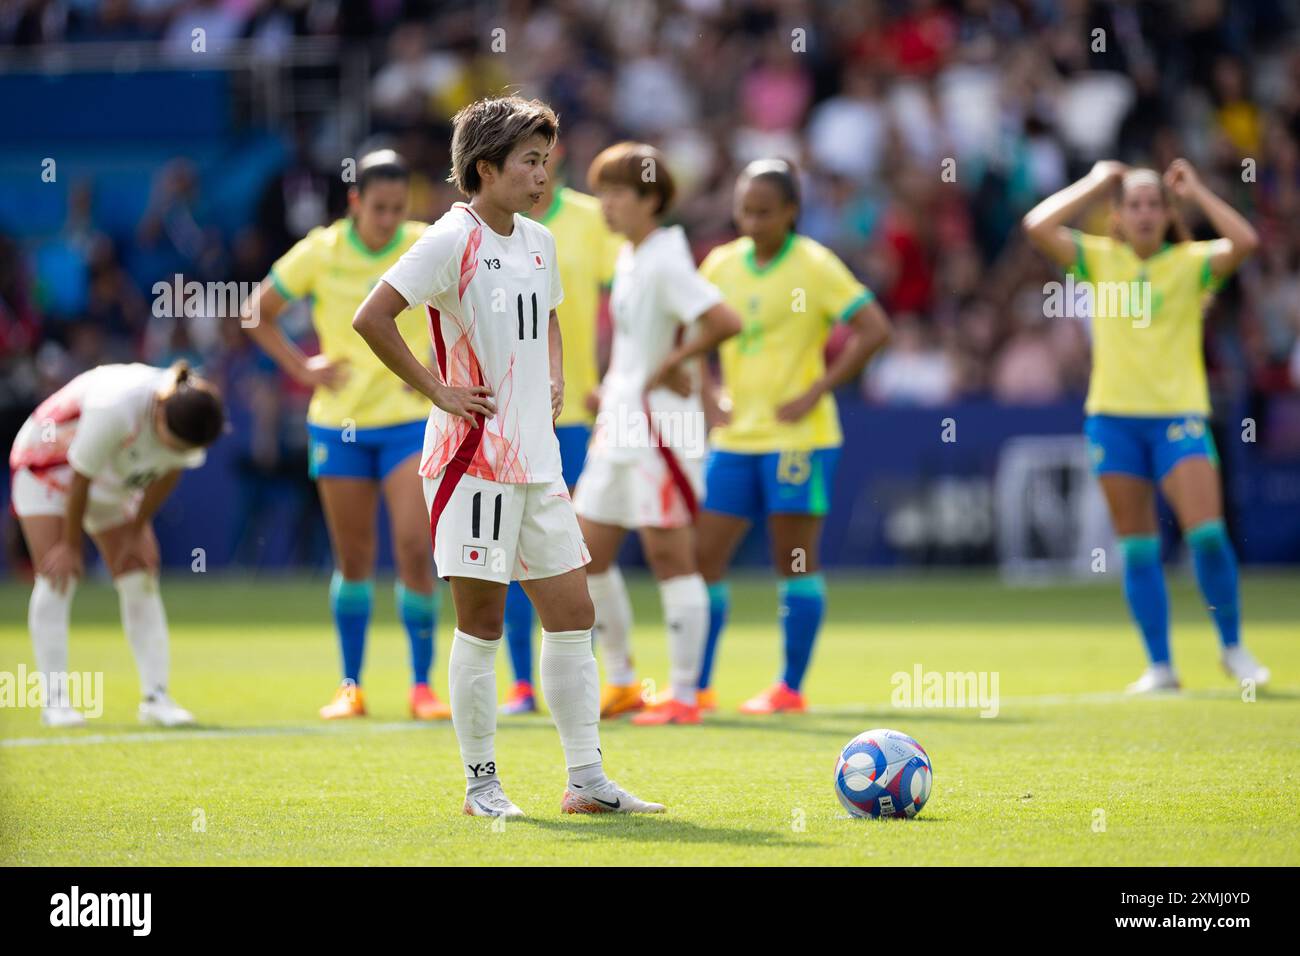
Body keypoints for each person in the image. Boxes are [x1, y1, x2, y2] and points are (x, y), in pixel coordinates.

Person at [352, 95, 664, 816]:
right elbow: (371, 316)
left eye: (547, 162)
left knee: (572, 615)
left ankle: (585, 782)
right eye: (530, 162)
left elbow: (548, 316)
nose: (543, 176)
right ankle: (481, 786)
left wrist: (553, 371)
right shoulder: (447, 239)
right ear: (484, 169)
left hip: (538, 460)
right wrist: (437, 389)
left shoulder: (539, 240)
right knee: (482, 625)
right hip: (473, 463)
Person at [1023, 158, 1269, 692]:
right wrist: (1093, 181)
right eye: (1133, 204)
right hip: (1113, 420)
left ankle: (1233, 648)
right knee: (1137, 546)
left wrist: (1199, 189)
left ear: (1167, 212)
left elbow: (1246, 241)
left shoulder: (1189, 264)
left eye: (1154, 204)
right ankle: (1160, 664)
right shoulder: (1097, 260)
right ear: (1118, 213)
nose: (1144, 214)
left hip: (1178, 417)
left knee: (1206, 533)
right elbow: (1036, 226)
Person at [242, 149, 448, 721]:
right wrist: (300, 368)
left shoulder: (426, 241)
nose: (388, 219)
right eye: (378, 208)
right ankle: (351, 685)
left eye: (398, 208)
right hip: (339, 427)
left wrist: (436, 370)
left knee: (413, 547)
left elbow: (471, 306)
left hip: (409, 423)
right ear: (355, 202)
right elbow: (256, 311)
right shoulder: (322, 249)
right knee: (353, 558)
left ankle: (421, 686)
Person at [694, 159, 892, 714]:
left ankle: (790, 686)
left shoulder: (816, 265)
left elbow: (875, 329)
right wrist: (711, 395)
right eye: (743, 210)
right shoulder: (720, 264)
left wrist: (819, 389)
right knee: (704, 556)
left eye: (763, 211)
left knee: (795, 560)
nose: (751, 221)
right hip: (735, 439)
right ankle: (699, 684)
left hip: (799, 438)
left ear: (790, 212)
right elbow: (693, 334)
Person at [573, 141, 743, 726]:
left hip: (660, 430)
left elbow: (724, 320)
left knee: (671, 556)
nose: (606, 205)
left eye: (617, 193)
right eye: (602, 193)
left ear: (651, 199)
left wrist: (678, 365)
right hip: (621, 422)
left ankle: (685, 694)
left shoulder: (668, 259)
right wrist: (614, 386)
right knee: (586, 552)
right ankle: (622, 681)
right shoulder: (632, 255)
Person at [10, 361, 225, 727]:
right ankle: (55, 703)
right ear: (158, 412)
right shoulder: (116, 407)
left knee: (139, 572)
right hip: (50, 464)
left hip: (112, 476)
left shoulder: (193, 421)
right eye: (170, 441)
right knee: (58, 575)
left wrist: (136, 528)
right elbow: (80, 476)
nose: (174, 450)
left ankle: (156, 698)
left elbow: (171, 469)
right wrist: (71, 546)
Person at [499, 147, 622, 716]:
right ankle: (522, 683)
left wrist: (617, 375)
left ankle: (585, 680)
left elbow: (633, 298)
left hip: (572, 415)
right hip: (507, 416)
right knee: (512, 550)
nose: (539, 164)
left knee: (570, 555)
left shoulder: (589, 219)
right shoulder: (483, 228)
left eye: (545, 152)